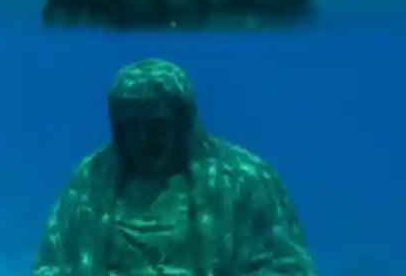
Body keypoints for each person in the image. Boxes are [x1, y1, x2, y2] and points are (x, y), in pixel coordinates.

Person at [32, 58, 317, 276]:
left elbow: (290, 267)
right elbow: (51, 265)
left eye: (157, 126)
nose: (144, 139)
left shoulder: (244, 179)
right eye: (132, 127)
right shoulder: (89, 181)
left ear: (183, 123)